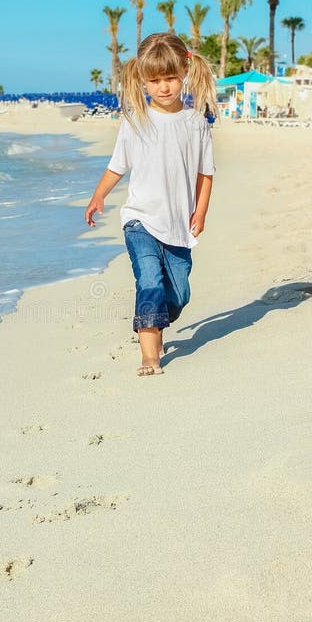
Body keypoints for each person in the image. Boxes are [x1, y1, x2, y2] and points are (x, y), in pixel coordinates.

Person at [84, 32, 218, 376]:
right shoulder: (136, 120)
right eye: (155, 80)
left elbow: (206, 174)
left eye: (170, 78)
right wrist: (99, 195)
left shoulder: (196, 122)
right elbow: (117, 166)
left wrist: (201, 212)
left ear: (184, 72)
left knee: (178, 293)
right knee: (149, 282)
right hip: (139, 221)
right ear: (143, 80)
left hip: (178, 225)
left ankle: (156, 322)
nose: (163, 87)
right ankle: (149, 356)